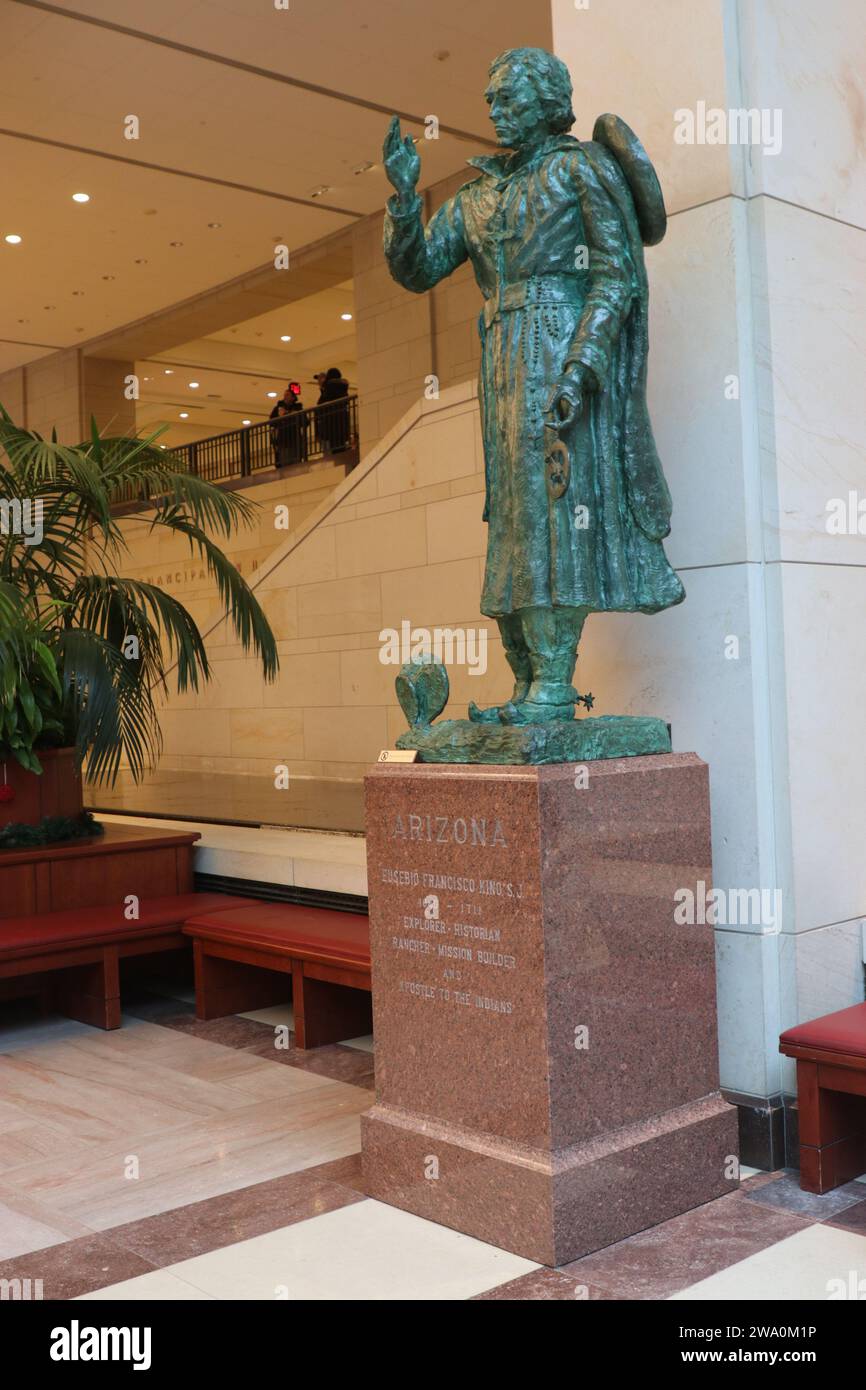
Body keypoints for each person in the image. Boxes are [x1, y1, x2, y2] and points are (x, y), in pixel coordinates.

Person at [381, 47, 684, 725]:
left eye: (508, 96)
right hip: (501, 363)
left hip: (559, 347)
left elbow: (616, 277)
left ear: (550, 100)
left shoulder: (582, 169)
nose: (494, 107)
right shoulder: (479, 194)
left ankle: (554, 680)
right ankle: (525, 684)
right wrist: (405, 200)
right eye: (490, 98)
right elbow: (420, 268)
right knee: (512, 515)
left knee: (557, 507)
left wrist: (582, 364)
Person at [269, 383, 304, 469]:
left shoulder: (298, 408)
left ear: (293, 397)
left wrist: (288, 414)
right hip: (283, 439)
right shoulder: (278, 408)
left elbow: (305, 422)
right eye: (284, 395)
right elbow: (271, 422)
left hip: (295, 439)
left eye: (287, 395)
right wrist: (280, 416)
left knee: (296, 463)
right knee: (285, 463)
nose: (285, 397)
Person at [316, 367, 350, 453]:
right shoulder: (343, 388)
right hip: (341, 422)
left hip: (330, 422)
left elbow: (322, 403)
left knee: (332, 449)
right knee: (340, 447)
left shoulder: (329, 387)